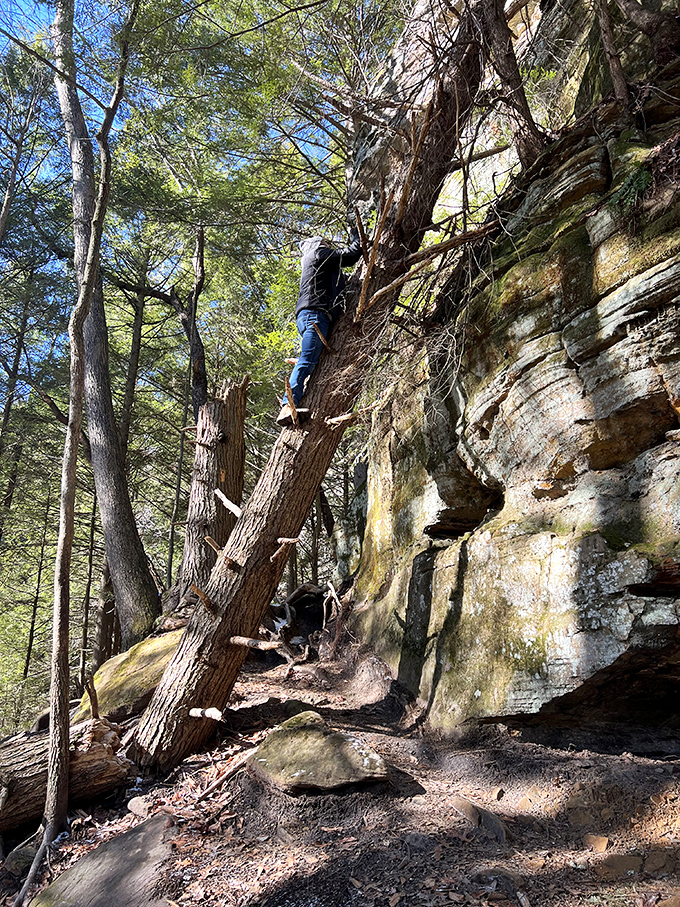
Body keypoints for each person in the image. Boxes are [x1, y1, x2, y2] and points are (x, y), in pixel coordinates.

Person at [277, 229, 363, 426]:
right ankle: (287, 405)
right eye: (326, 244)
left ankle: (294, 402)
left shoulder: (315, 263)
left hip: (311, 316)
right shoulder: (317, 253)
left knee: (312, 360)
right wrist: (357, 235)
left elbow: (337, 283)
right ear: (318, 245)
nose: (329, 247)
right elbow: (350, 256)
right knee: (306, 360)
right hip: (315, 316)